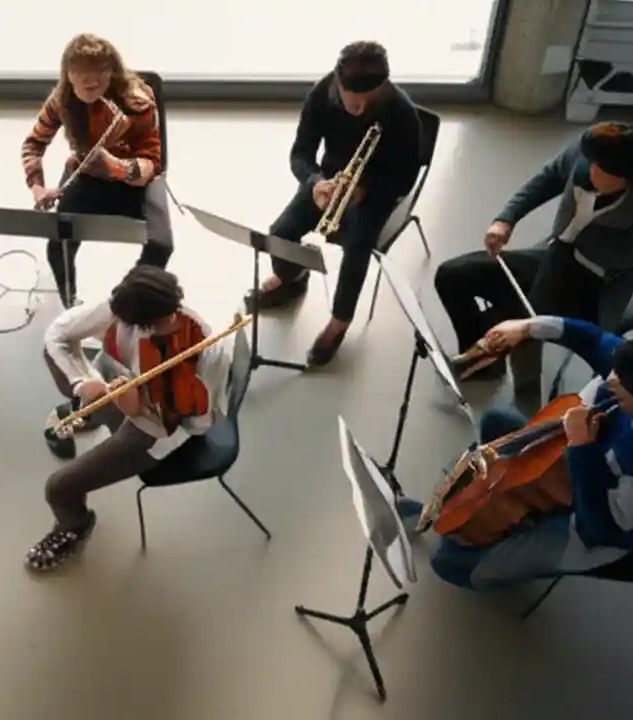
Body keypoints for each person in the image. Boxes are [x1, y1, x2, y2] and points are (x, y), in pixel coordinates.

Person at [395, 314, 633, 591]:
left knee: (448, 564)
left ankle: (504, 543)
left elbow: (600, 528)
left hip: (594, 529)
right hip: (580, 455)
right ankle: (448, 506)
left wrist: (583, 448)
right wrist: (526, 327)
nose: (609, 386)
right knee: (497, 420)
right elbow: (591, 338)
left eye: (620, 396)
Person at [435, 121, 633, 408]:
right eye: (592, 163)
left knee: (522, 327)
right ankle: (483, 363)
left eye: (601, 171)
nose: (590, 172)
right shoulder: (587, 155)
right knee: (453, 275)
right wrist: (506, 218)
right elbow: (549, 177)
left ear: (626, 179)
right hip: (554, 255)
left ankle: (526, 402)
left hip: (592, 280)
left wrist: (530, 300)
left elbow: (616, 264)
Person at [26, 265, 233, 572]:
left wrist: (140, 401)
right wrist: (82, 382)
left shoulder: (205, 350)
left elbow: (198, 424)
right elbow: (57, 334)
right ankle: (93, 410)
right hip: (122, 388)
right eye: (163, 321)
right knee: (66, 367)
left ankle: (76, 526)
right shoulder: (123, 309)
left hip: (159, 431)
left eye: (174, 310)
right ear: (137, 322)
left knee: (58, 487)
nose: (173, 321)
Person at [245, 40, 422, 366]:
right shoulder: (321, 94)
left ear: (382, 86)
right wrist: (315, 183)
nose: (359, 107)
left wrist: (365, 189)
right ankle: (293, 278)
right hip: (327, 179)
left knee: (358, 246)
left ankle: (340, 321)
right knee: (279, 233)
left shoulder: (401, 112)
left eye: (368, 100)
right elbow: (300, 153)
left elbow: (405, 179)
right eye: (351, 99)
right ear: (338, 83)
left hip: (374, 190)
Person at [21, 32, 171, 308]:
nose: (91, 91)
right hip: (87, 172)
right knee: (58, 243)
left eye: (98, 84)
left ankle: (125, 298)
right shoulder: (61, 100)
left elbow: (153, 160)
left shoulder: (138, 100)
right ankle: (70, 302)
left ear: (111, 73)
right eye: (83, 86)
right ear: (69, 76)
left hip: (134, 176)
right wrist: (38, 186)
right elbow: (33, 144)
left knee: (161, 245)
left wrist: (119, 167)